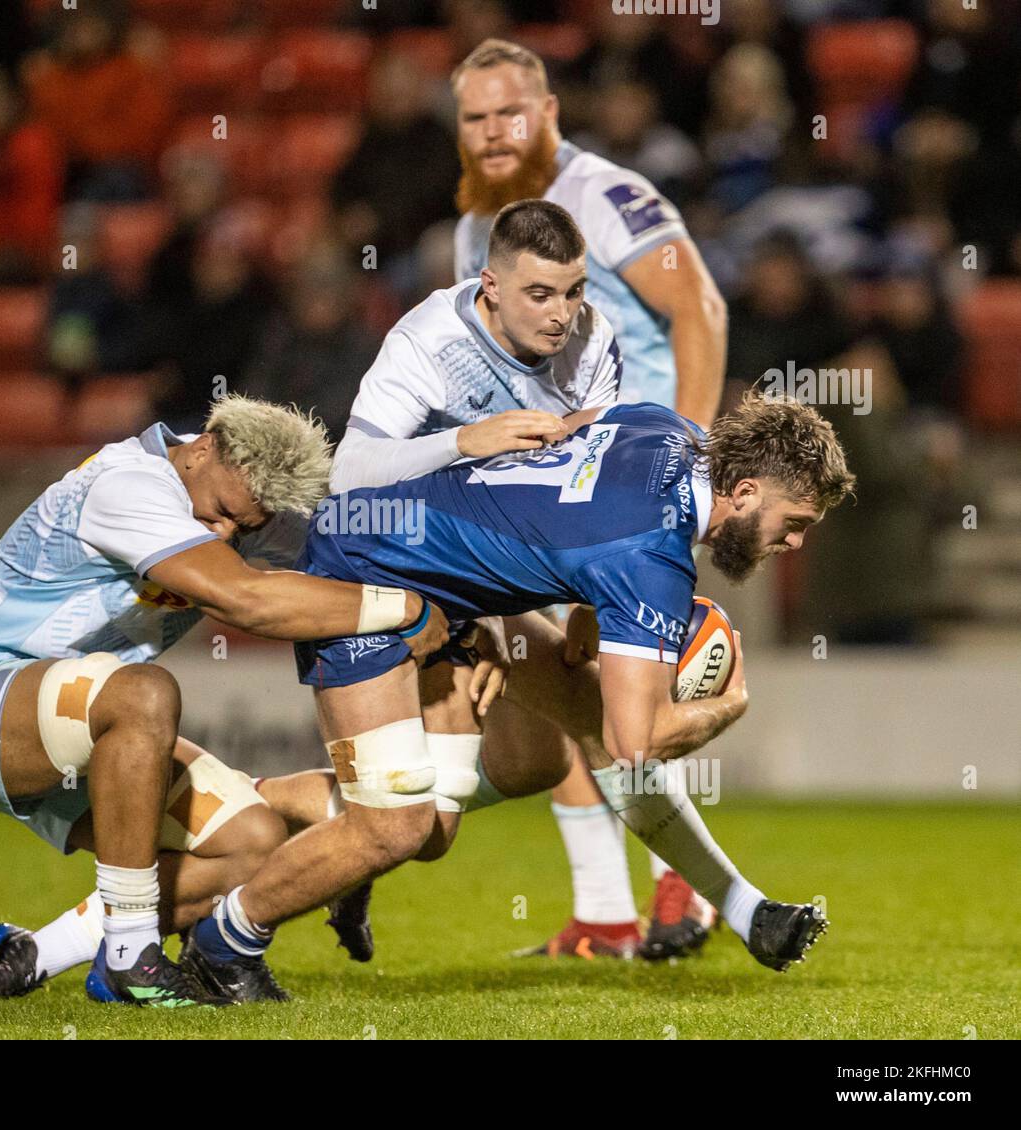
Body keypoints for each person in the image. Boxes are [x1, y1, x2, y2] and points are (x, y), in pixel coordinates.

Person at [180, 392, 855, 1001]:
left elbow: (574, 434)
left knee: (465, 806)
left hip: (442, 573)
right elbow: (636, 742)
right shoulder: (649, 557)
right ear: (741, 490)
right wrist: (729, 705)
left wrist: (580, 603)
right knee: (396, 826)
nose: (793, 542)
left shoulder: (663, 427)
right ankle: (226, 936)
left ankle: (747, 911)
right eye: (794, 521)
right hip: (363, 571)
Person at [0, 395, 447, 1008]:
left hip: (80, 730)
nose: (225, 534)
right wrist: (406, 610)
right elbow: (244, 599)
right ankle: (131, 953)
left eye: (245, 528)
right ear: (203, 448)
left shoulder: (239, 505)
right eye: (221, 513)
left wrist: (468, 630)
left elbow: (351, 569)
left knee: (254, 842)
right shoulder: (130, 485)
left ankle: (31, 955)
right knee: (145, 694)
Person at [450, 38, 729, 960]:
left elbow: (702, 311)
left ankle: (682, 889)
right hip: (546, 491)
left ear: (549, 112)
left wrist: (683, 463)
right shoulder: (474, 231)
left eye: (509, 114)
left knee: (623, 692)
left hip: (626, 486)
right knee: (562, 689)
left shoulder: (602, 195)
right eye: (475, 117)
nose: (493, 134)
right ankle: (608, 915)